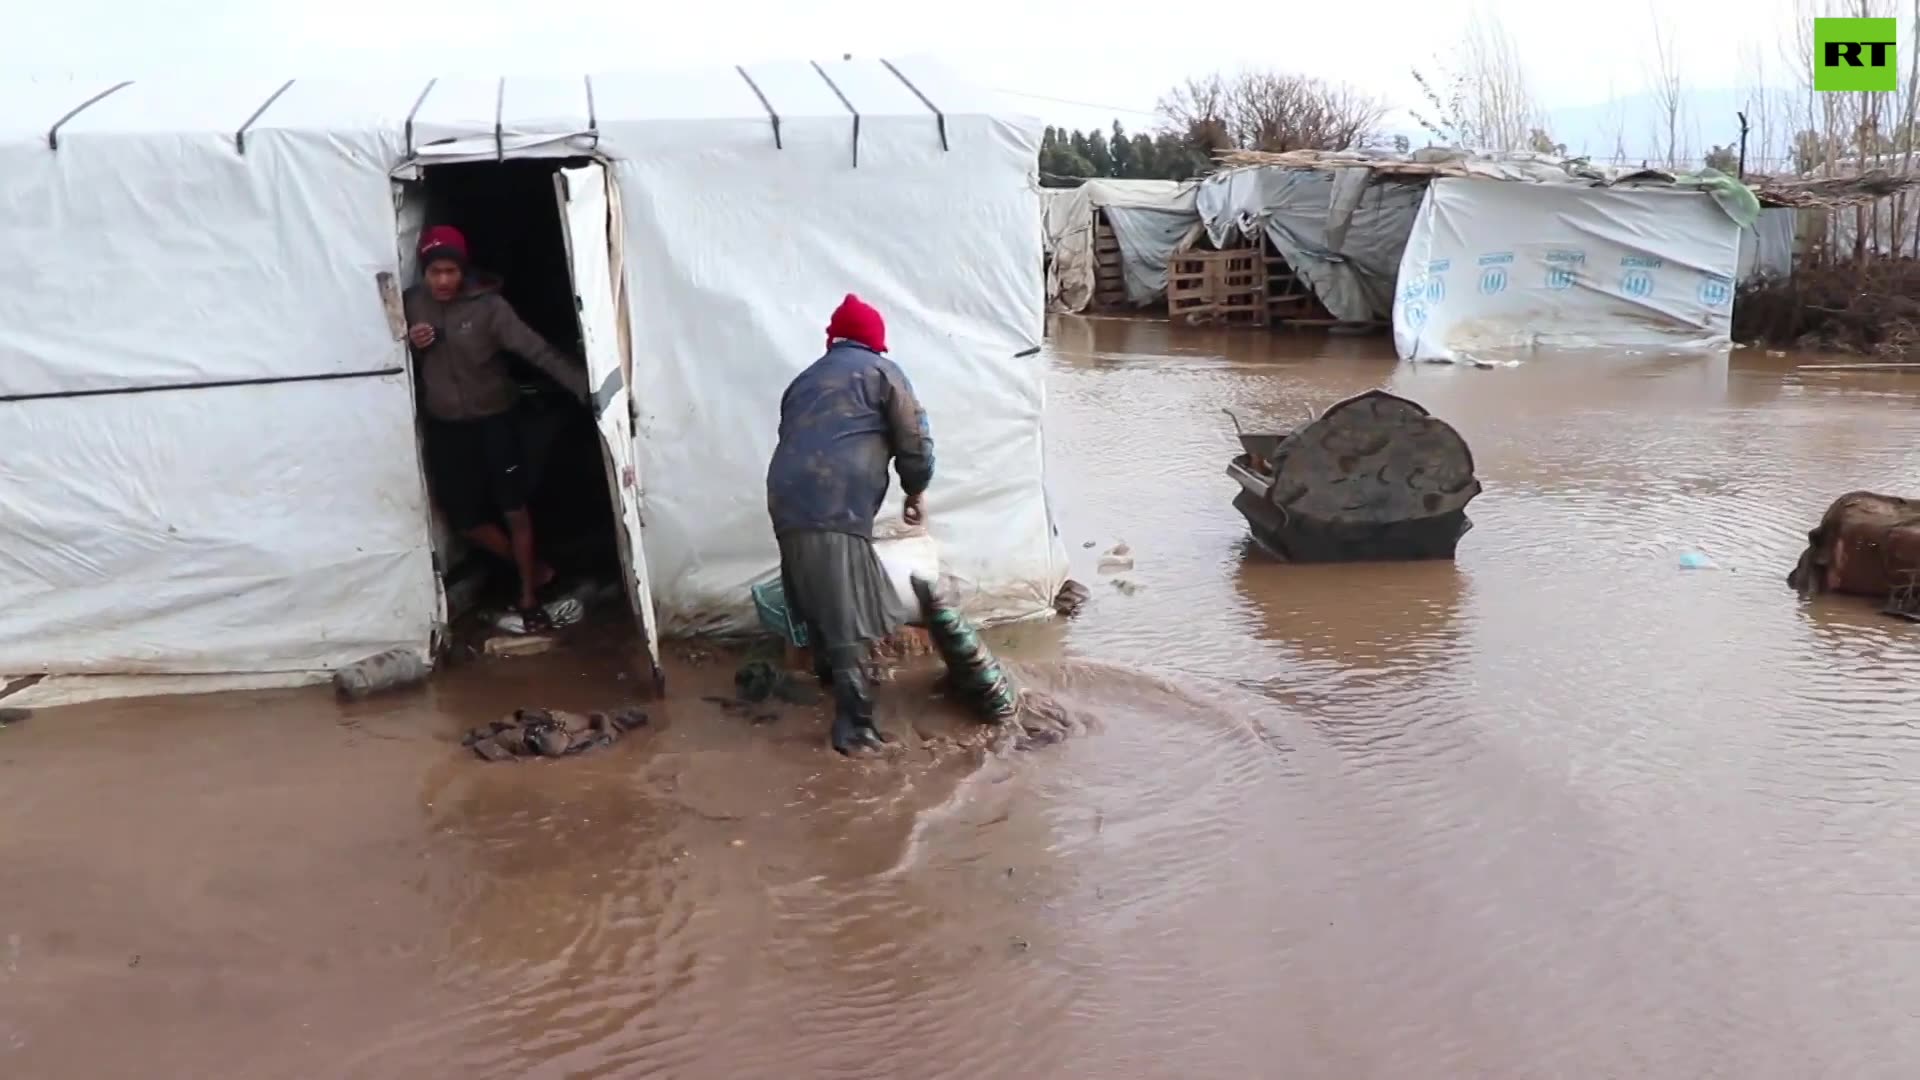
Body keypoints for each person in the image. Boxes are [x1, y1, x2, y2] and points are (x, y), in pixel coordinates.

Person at [766, 294, 936, 755]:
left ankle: (828, 689)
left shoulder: (804, 381)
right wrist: (915, 489)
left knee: (820, 600)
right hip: (835, 501)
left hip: (785, 501)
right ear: (874, 341)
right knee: (846, 616)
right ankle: (854, 727)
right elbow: (915, 441)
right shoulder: (883, 373)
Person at [404, 225, 590, 633]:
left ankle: (527, 596)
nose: (442, 281)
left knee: (513, 509)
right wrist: (410, 342)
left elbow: (535, 349)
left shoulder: (489, 308)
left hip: (495, 420)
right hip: (448, 427)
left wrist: (582, 386)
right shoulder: (412, 304)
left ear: (463, 271)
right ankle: (538, 570)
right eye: (435, 272)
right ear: (424, 273)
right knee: (464, 516)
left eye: (450, 271)